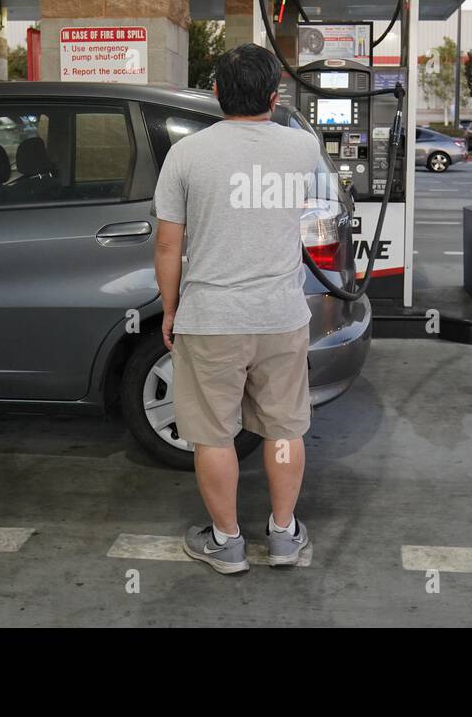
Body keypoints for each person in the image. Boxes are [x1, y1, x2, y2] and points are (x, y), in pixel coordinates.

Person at [152, 43, 322, 574]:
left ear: (216, 92)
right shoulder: (304, 149)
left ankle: (227, 542)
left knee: (213, 433)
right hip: (281, 316)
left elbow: (168, 245)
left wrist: (170, 310)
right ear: (274, 96)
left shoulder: (186, 154)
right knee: (284, 428)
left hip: (210, 318)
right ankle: (284, 535)